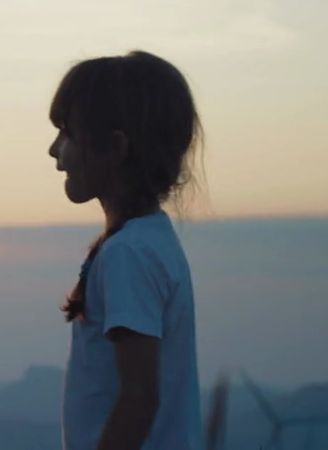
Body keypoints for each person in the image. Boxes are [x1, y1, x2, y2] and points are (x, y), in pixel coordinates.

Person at [50, 51, 205, 450]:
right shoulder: (151, 239)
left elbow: (139, 398)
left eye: (67, 134)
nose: (54, 151)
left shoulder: (128, 254)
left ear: (114, 147)